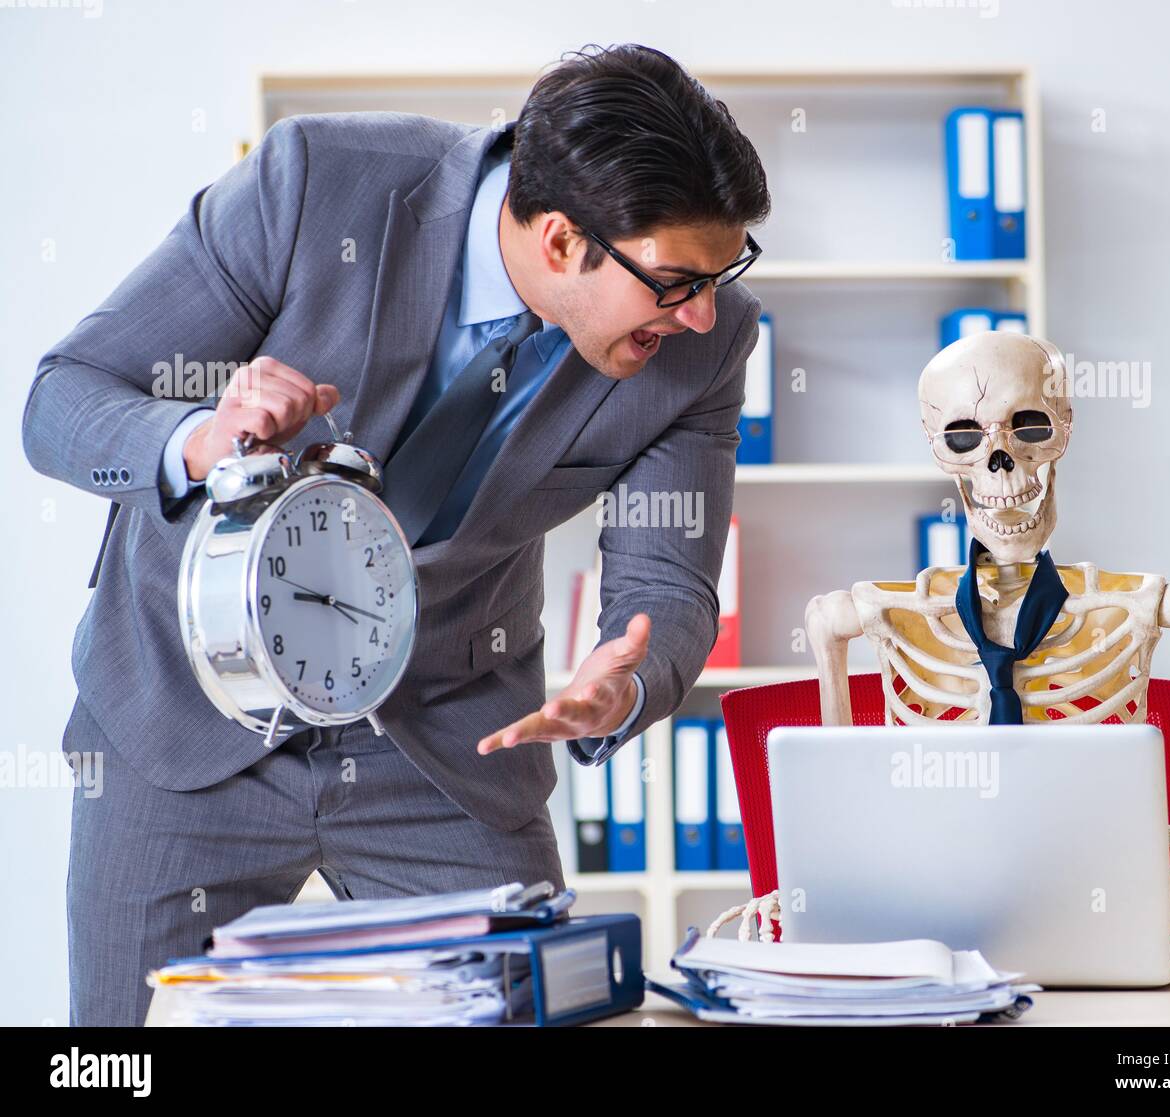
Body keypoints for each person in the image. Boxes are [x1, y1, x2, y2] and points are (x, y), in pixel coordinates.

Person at [22, 42, 769, 1026]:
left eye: (724, 271)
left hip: (444, 740)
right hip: (185, 714)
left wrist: (620, 682)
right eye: (675, 281)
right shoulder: (315, 185)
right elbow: (63, 398)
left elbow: (667, 588)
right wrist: (201, 441)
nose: (702, 311)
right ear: (558, 242)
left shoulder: (704, 348)